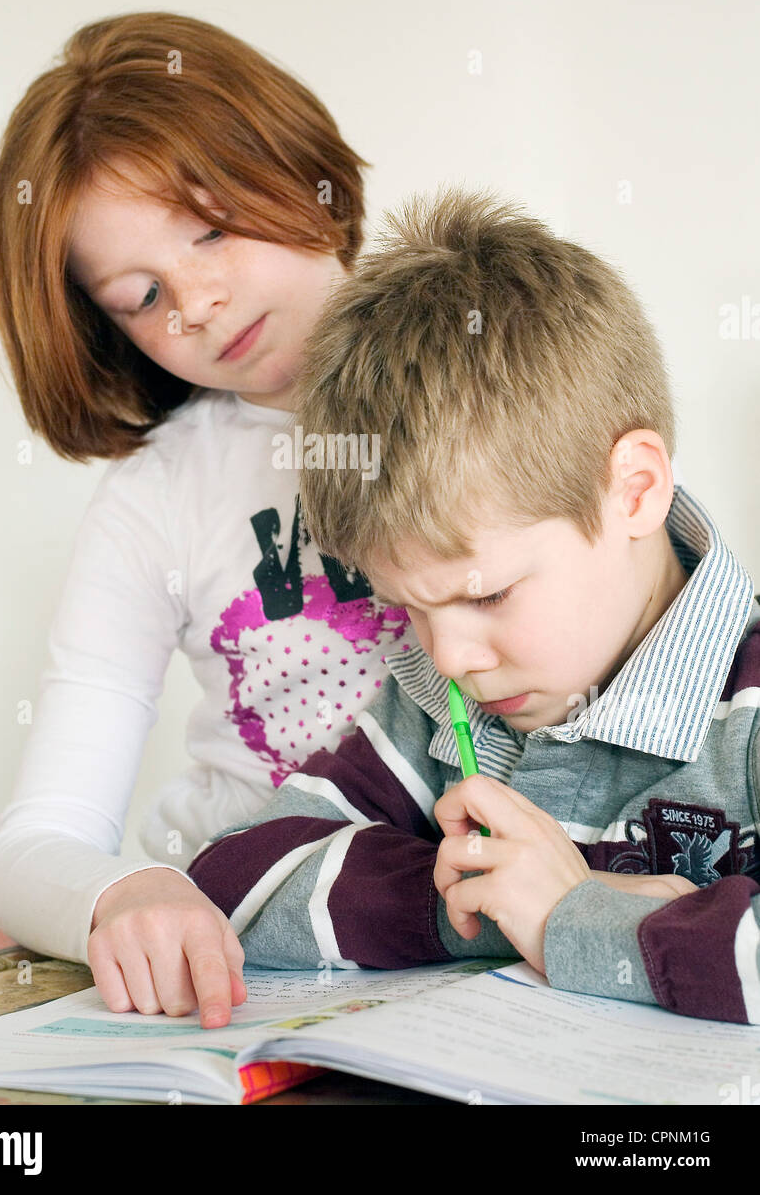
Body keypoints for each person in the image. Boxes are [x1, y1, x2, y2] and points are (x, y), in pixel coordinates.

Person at [187, 187, 760, 1025]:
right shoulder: (439, 706)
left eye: (486, 594)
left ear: (632, 491)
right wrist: (476, 897)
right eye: (407, 608)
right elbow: (238, 878)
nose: (448, 656)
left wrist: (576, 915)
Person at [0, 12, 416, 1027]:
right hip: (258, 948)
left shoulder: (497, 369)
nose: (200, 303)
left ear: (285, 158)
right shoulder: (155, 499)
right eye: (141, 295)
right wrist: (125, 891)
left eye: (212, 227)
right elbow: (35, 841)